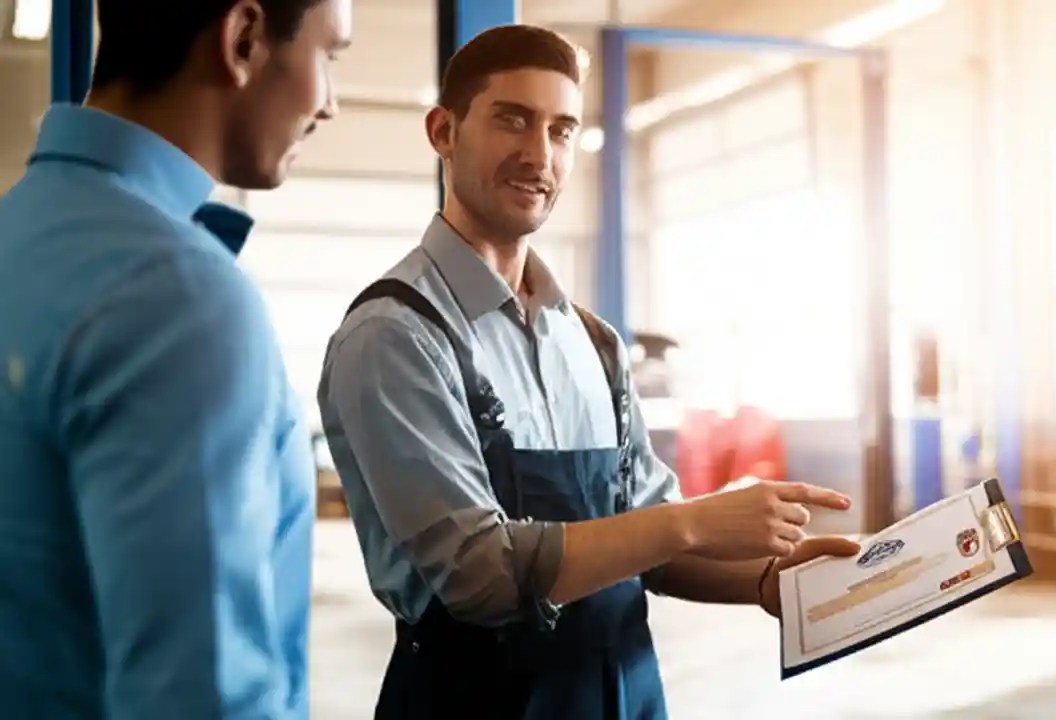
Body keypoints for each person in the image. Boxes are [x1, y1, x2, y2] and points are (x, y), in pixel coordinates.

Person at [317, 24, 860, 719]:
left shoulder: (594, 343)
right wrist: (693, 521)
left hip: (623, 698)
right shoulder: (397, 337)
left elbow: (646, 541)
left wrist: (768, 582)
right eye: (512, 119)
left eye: (562, 129)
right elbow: (479, 575)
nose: (538, 154)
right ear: (443, 131)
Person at [0, 1, 351, 717]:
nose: (331, 106)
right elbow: (200, 697)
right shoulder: (175, 295)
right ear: (243, 38)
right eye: (330, 57)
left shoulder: (20, 235)